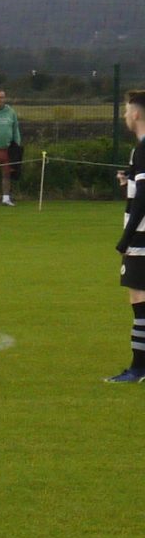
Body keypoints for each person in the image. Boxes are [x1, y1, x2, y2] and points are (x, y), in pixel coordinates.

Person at [108, 89, 145, 383]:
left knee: (139, 299)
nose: (124, 116)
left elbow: (144, 199)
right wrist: (126, 184)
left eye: (125, 110)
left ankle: (138, 368)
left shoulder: (143, 148)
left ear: (136, 113)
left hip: (142, 239)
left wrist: (126, 238)